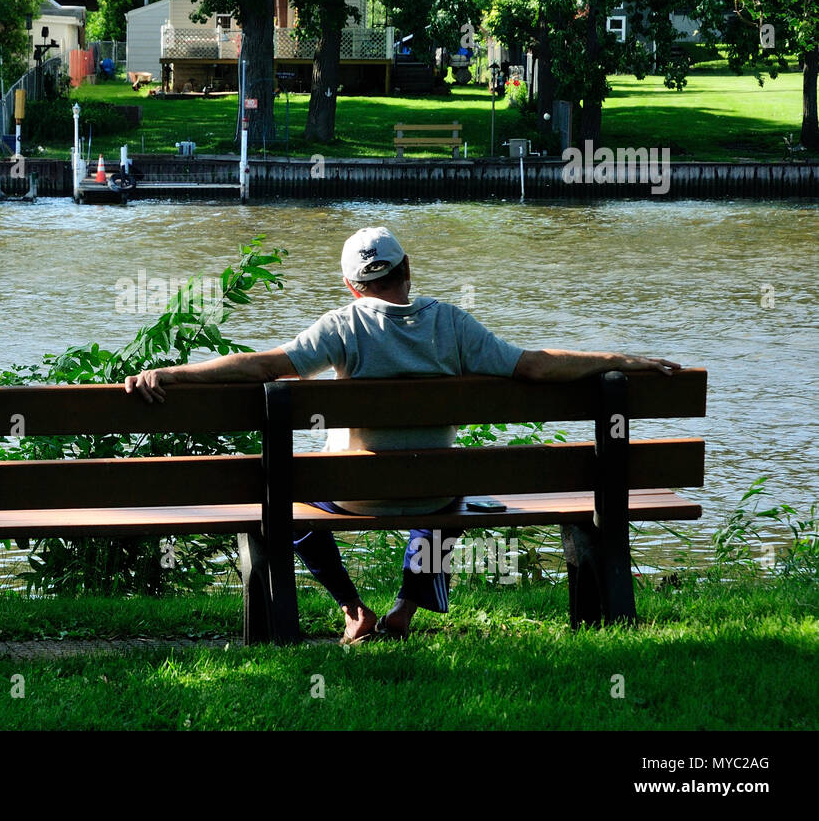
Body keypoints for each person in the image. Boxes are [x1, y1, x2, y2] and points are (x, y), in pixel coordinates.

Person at [125, 226, 681, 644]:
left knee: (282, 493)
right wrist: (620, 359)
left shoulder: (343, 325)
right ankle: (403, 613)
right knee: (450, 488)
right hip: (435, 492)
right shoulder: (452, 324)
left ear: (351, 285)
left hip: (348, 492)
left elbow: (262, 365)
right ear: (408, 268)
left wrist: (170, 374)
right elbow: (534, 366)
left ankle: (351, 608)